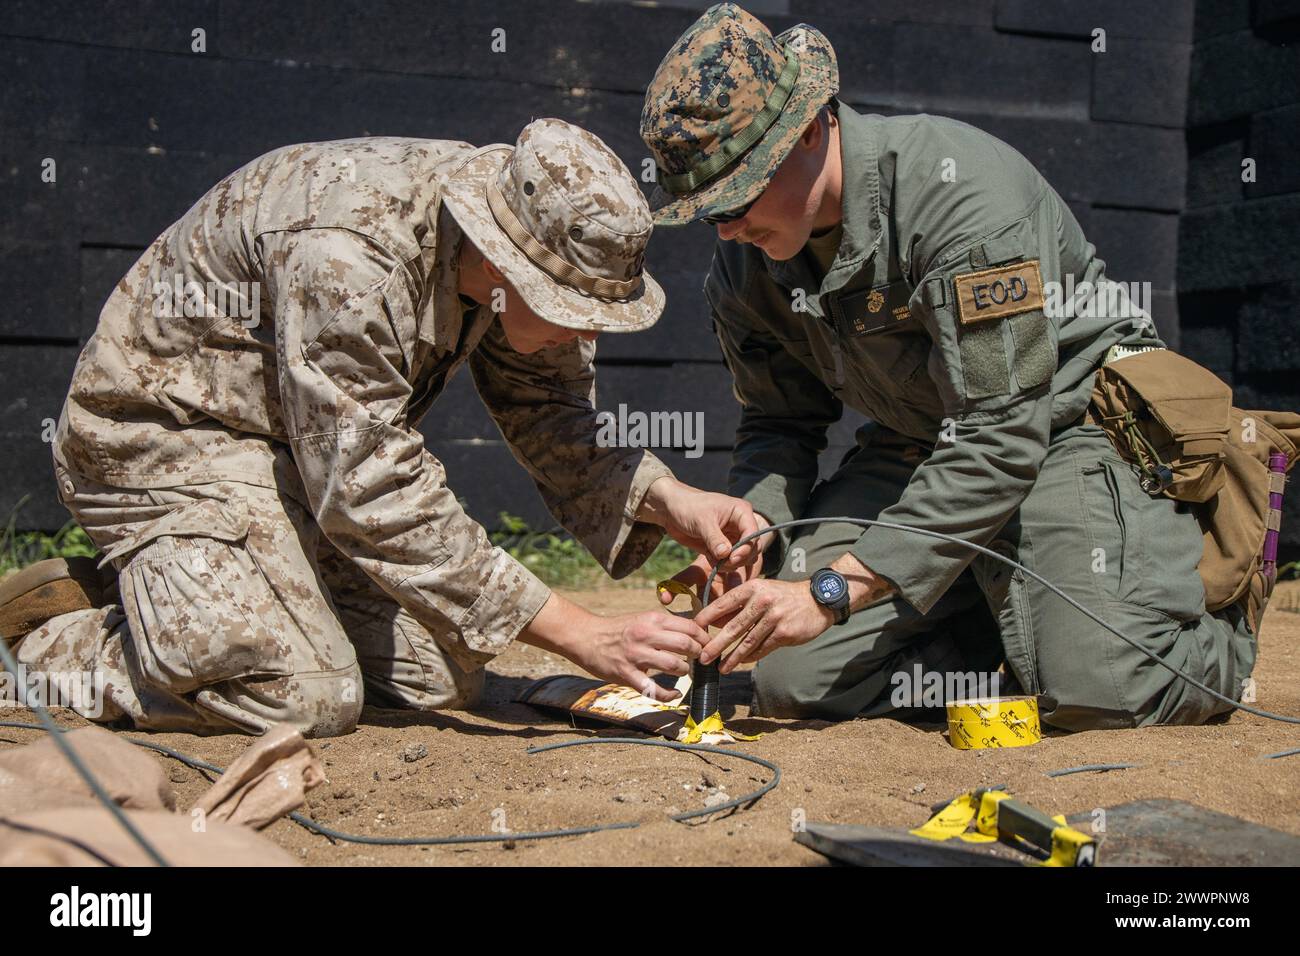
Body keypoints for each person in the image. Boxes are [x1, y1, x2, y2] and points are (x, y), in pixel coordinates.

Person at [0, 118, 760, 737]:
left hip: (289, 465)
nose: (582, 334)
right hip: (161, 443)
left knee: (442, 672)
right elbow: (370, 490)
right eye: (574, 313)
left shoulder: (519, 246)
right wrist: (581, 633)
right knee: (304, 695)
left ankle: (189, 593)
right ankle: (46, 653)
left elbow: (551, 414)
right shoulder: (352, 256)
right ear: (504, 266)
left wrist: (668, 500)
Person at [641, 3, 1261, 730]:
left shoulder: (962, 202)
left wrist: (834, 590)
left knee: (1106, 691)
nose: (728, 228)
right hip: (926, 441)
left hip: (1063, 431)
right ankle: (990, 624)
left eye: (737, 197)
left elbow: (1001, 436)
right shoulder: (746, 260)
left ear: (809, 130)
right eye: (706, 212)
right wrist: (753, 531)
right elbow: (781, 419)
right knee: (792, 681)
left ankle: (1212, 632)